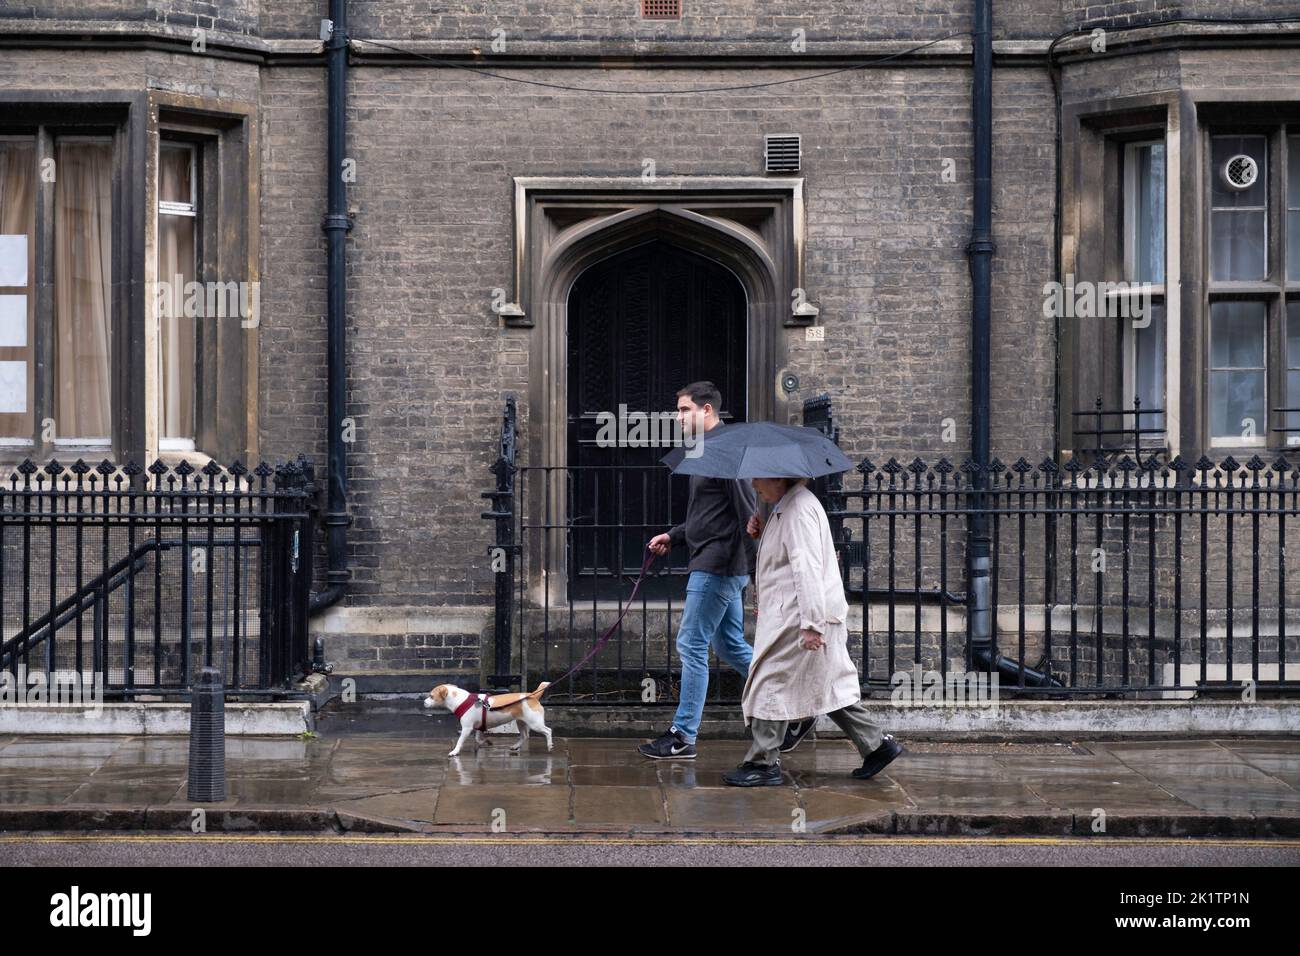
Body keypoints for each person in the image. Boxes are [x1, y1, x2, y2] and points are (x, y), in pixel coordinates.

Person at [723, 475, 904, 786]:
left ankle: (763, 762)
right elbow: (786, 556)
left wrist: (811, 625)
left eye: (758, 477)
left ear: (778, 476)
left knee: (770, 678)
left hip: (799, 618)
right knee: (829, 685)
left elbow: (806, 569)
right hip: (804, 614)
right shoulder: (788, 507)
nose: (753, 484)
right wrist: (763, 532)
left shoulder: (798, 510)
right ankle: (876, 745)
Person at [639, 382, 756, 760]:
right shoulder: (705, 451)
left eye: (685, 409)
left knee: (691, 644)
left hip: (718, 566)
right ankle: (794, 702)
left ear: (707, 410)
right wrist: (674, 536)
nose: (678, 416)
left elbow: (746, 515)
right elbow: (708, 516)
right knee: (729, 645)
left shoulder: (726, 453)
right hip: (712, 559)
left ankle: (683, 735)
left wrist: (756, 574)